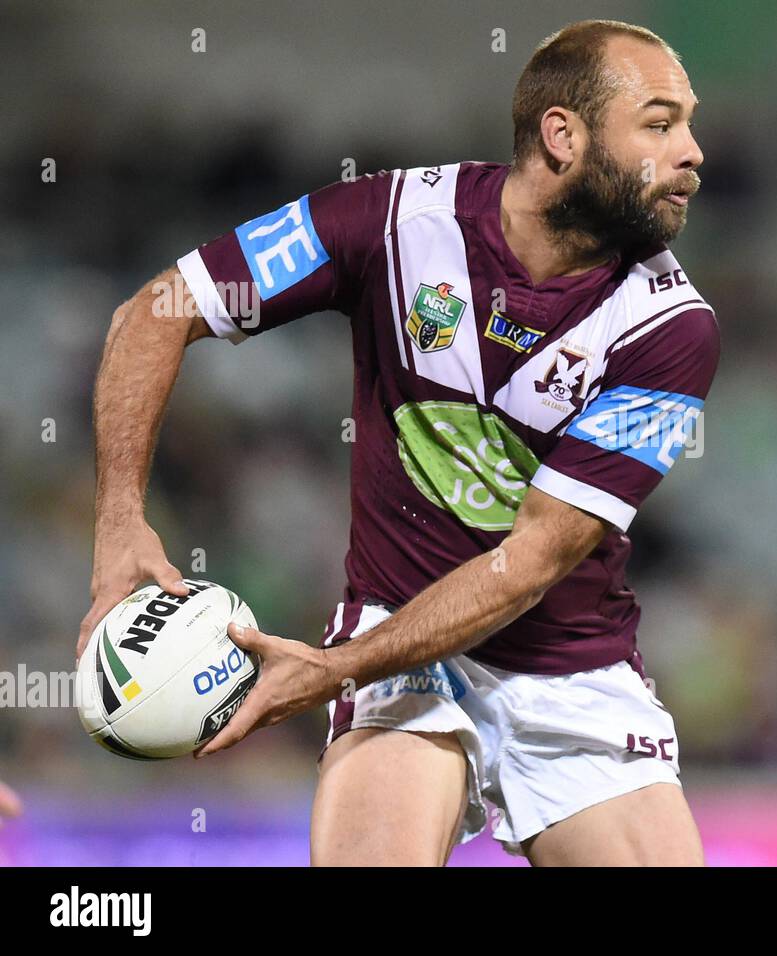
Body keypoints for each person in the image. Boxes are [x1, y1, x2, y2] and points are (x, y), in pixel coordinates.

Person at [79, 19, 717, 866]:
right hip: (399, 646)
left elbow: (529, 563)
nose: (694, 152)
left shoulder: (672, 329)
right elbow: (156, 311)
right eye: (660, 123)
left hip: (568, 668)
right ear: (563, 136)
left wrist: (337, 667)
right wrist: (120, 518)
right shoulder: (392, 218)